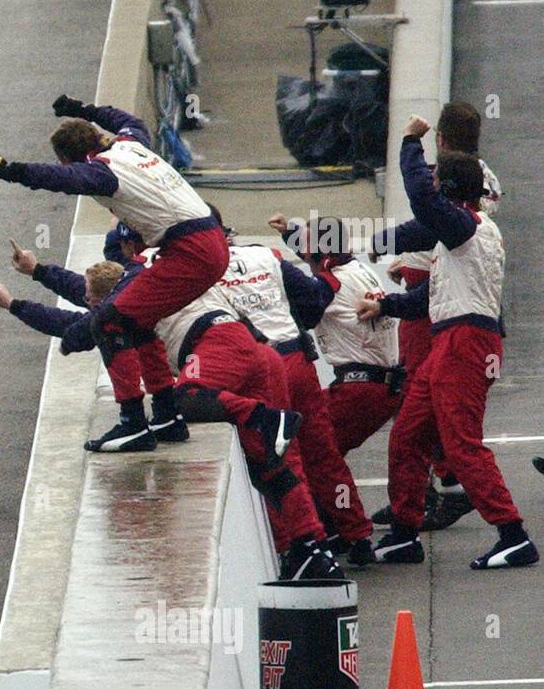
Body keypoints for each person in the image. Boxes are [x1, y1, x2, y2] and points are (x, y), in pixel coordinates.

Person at [357, 115, 536, 570]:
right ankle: (404, 533)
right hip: (452, 340)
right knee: (408, 435)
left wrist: (410, 141)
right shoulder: (458, 232)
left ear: (450, 189)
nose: (430, 186)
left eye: (439, 181)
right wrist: (387, 306)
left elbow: (421, 198)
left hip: (465, 343)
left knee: (461, 443)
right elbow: (430, 298)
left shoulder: (463, 228)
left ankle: (513, 534)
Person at [121, 258, 341, 579]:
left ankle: (266, 421)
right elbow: (314, 293)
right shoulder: (235, 256)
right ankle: (312, 546)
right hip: (269, 350)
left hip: (221, 345)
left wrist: (39, 285)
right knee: (276, 463)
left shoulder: (142, 269)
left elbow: (103, 313)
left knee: (189, 397)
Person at [0, 95, 229, 357]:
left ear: (69, 160)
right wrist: (83, 109)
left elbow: (53, 178)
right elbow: (127, 120)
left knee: (111, 320)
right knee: (139, 325)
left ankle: (127, 382)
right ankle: (157, 392)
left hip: (192, 253)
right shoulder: (132, 143)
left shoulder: (100, 173)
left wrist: (4, 168)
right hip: (209, 241)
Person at [370, 101, 503, 530]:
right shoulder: (483, 181)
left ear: (441, 140)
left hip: (449, 311)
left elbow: (428, 216)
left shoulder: (452, 192)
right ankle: (424, 495)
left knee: (429, 403)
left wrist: (409, 140)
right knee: (427, 406)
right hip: (450, 289)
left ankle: (442, 491)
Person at [217, 234, 376, 567]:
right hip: (297, 360)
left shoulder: (200, 269)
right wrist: (293, 321)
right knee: (324, 453)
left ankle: (303, 545)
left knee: (280, 460)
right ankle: (358, 534)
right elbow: (313, 297)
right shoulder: (267, 255)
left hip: (261, 367)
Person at [0, 246, 181, 452]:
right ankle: (167, 414)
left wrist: (14, 306)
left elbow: (77, 326)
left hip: (189, 340)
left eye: (90, 300)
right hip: (187, 326)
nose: (87, 301)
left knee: (108, 327)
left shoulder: (121, 300)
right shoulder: (132, 280)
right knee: (125, 325)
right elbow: (79, 290)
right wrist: (36, 270)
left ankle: (133, 423)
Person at [269, 213, 403, 455]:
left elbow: (307, 297)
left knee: (308, 455)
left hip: (359, 392)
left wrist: (270, 261)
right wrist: (290, 234)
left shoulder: (331, 284)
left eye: (305, 244)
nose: (303, 251)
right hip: (380, 388)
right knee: (320, 456)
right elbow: (319, 263)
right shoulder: (357, 269)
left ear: (320, 251)